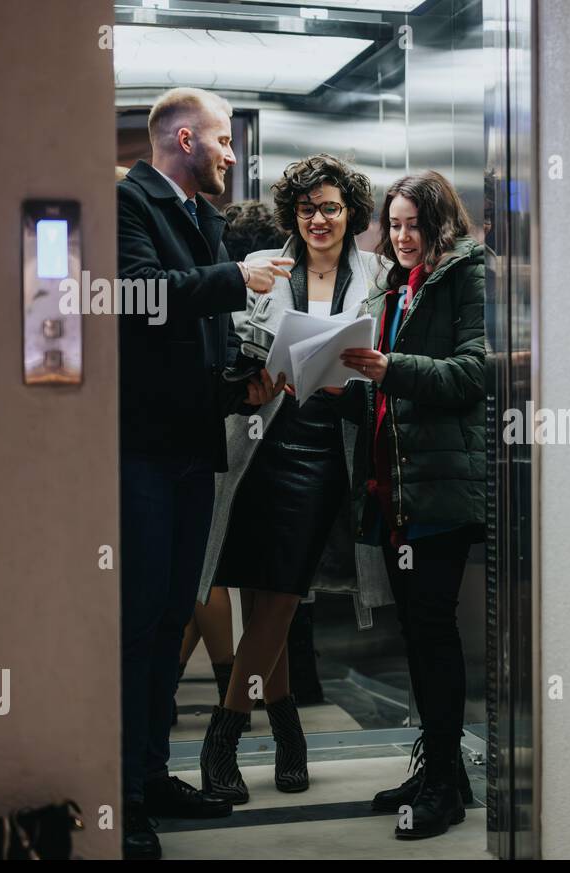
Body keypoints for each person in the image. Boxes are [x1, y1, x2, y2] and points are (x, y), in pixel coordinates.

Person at [117, 86, 289, 860]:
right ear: (184, 139)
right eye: (222, 140)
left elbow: (192, 348)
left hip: (192, 448)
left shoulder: (200, 218)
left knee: (166, 622)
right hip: (143, 450)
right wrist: (233, 278)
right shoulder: (131, 204)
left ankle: (151, 777)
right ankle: (120, 792)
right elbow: (136, 298)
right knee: (139, 622)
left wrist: (238, 387)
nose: (229, 153)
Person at [196, 154, 394, 803]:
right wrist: (249, 384)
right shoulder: (267, 274)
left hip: (325, 450)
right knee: (262, 595)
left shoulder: (378, 277)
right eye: (308, 207)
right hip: (263, 444)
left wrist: (368, 370)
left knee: (282, 595)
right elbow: (230, 356)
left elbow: (392, 364)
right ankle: (288, 735)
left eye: (331, 207)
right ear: (294, 214)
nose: (318, 218)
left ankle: (222, 737)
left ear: (352, 215)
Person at [336, 170, 486, 839]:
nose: (401, 237)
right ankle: (437, 770)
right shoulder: (395, 287)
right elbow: (382, 383)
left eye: (412, 225)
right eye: (393, 225)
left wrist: (388, 368)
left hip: (443, 487)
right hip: (394, 484)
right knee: (416, 634)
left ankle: (447, 787)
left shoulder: (466, 279)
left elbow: (475, 373)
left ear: (439, 224)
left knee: (432, 628)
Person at [173, 201, 288, 725]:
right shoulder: (246, 292)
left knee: (210, 563)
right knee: (214, 566)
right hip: (237, 429)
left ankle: (200, 687)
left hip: (223, 429)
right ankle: (231, 690)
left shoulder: (220, 293)